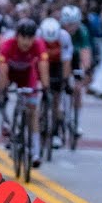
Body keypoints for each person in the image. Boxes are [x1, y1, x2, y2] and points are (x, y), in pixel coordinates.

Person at [0, 19, 49, 166]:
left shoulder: (38, 44)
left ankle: (35, 151)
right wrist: (3, 89)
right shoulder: (7, 45)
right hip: (10, 73)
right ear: (17, 36)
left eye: (30, 38)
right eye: (23, 37)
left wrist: (45, 87)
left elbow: (43, 65)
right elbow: (2, 69)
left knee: (33, 110)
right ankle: (6, 120)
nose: (26, 42)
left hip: (27, 75)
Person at [38, 17, 73, 149]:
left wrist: (65, 81)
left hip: (57, 64)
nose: (50, 43)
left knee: (56, 100)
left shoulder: (64, 37)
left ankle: (55, 132)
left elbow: (66, 61)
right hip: (41, 62)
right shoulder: (37, 36)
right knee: (36, 94)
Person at [59, 5, 93, 137]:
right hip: (60, 58)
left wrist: (86, 69)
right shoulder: (58, 31)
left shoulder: (82, 31)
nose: (72, 27)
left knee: (77, 88)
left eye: (75, 24)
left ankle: (75, 120)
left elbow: (86, 51)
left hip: (75, 58)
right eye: (69, 24)